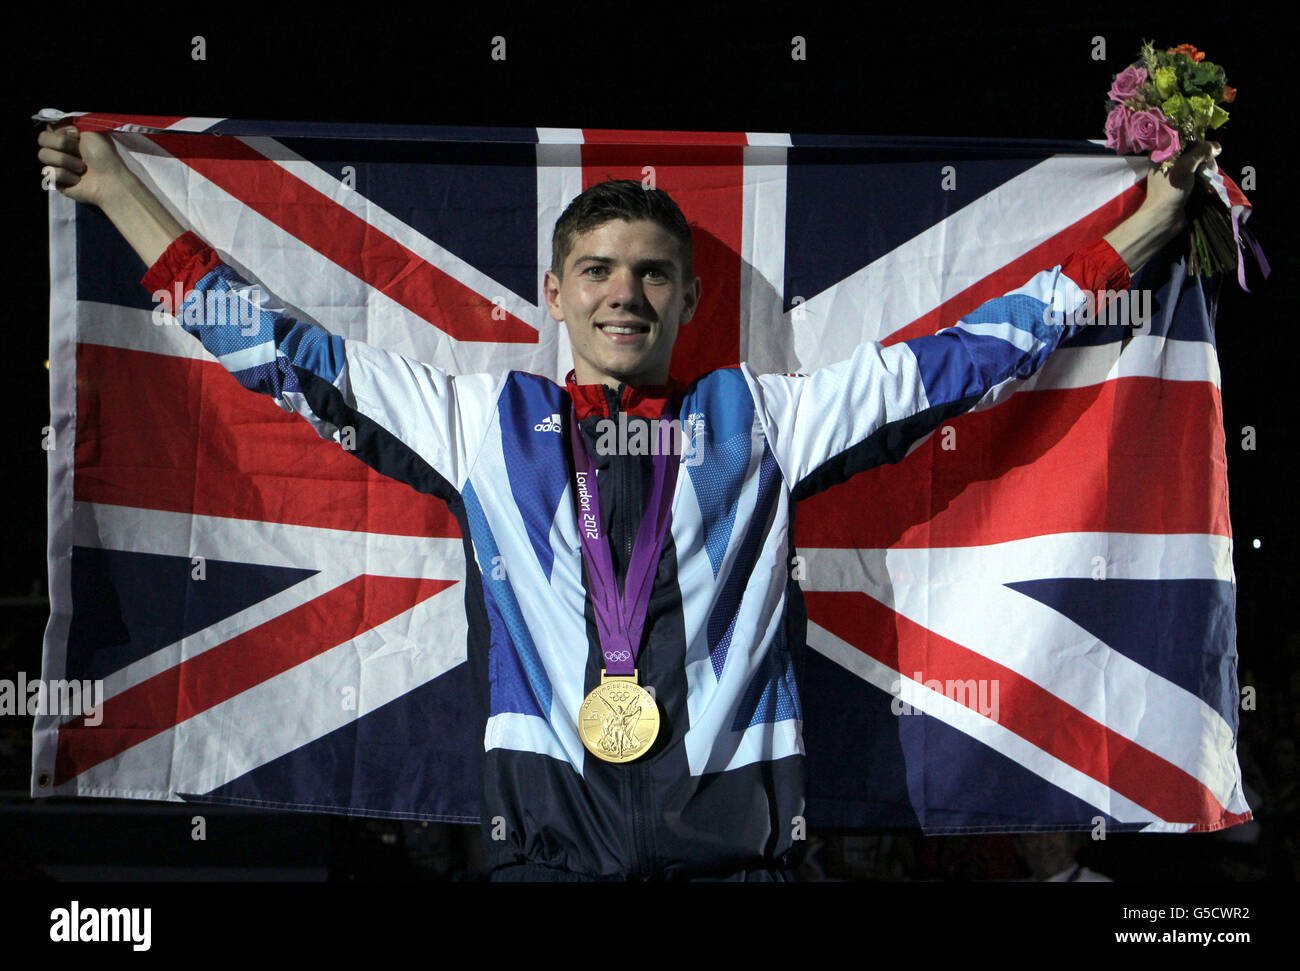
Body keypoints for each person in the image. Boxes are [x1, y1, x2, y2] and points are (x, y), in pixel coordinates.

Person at [36, 121, 1221, 881]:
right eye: (597, 270)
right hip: (540, 854)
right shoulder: (480, 424)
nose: (624, 294)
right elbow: (281, 351)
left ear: (689, 293)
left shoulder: (760, 418)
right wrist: (120, 196)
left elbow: (970, 352)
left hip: (739, 858)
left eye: (651, 272)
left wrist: (1150, 220)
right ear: (554, 291)